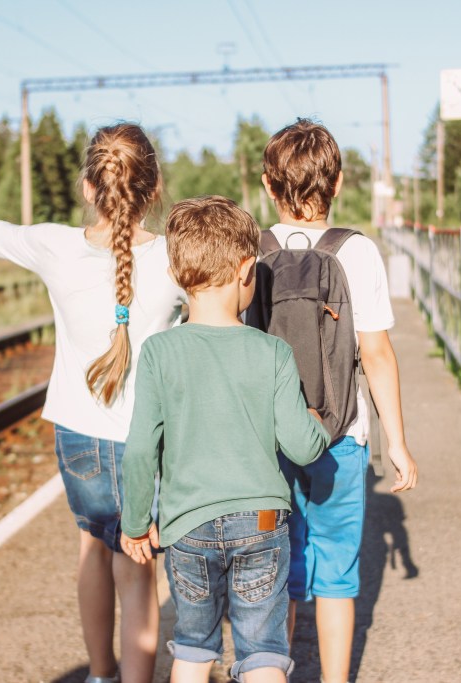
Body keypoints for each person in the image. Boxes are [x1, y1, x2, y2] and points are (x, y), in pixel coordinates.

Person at [0, 123, 184, 683]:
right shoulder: (176, 257)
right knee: (136, 568)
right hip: (148, 440)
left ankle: (101, 674)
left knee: (92, 547)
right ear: (154, 189)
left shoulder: (55, 245)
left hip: (79, 436)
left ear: (89, 188)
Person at [119, 196, 330, 683]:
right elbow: (301, 446)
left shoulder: (158, 352)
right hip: (261, 521)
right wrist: (316, 420)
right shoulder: (272, 351)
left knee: (193, 649)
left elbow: (139, 451)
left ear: (176, 273)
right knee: (261, 652)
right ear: (245, 271)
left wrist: (134, 523)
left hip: (187, 527)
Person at [258, 118, 418, 683]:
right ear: (339, 182)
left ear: (268, 185)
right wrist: (396, 442)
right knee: (337, 574)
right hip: (342, 440)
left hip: (266, 446)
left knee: (277, 571)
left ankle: (270, 672)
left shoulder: (253, 253)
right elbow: (375, 353)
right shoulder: (358, 253)